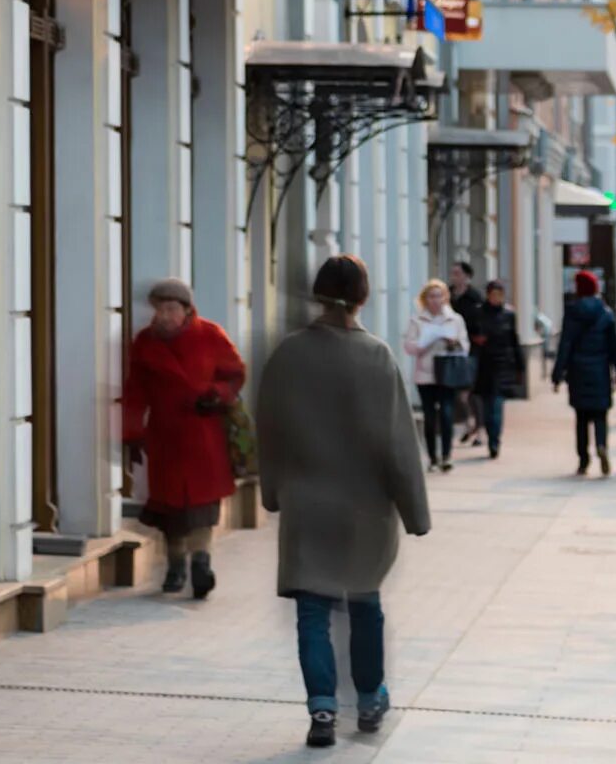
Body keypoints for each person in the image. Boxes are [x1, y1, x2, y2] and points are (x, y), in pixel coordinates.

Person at [257, 254, 431, 749]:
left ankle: (323, 711)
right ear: (363, 296)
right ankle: (371, 698)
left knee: (311, 608)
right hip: (365, 509)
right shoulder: (376, 356)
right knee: (364, 601)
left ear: (316, 294)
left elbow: (269, 432)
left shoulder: (288, 355)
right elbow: (399, 443)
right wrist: (415, 512)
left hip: (307, 503)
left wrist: (272, 492)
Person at [122, 277, 247, 597]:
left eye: (170, 308)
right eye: (159, 309)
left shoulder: (210, 335)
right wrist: (132, 432)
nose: (164, 315)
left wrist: (216, 394)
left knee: (203, 507)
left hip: (204, 433)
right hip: (165, 437)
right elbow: (135, 392)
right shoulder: (145, 342)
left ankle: (201, 564)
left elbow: (235, 374)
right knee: (171, 512)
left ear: (186, 309)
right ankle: (176, 565)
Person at [550, 268, 616, 475]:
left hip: (578, 371)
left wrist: (557, 374)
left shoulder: (572, 312)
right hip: (600, 370)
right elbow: (614, 347)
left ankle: (583, 459)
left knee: (581, 417)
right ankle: (602, 445)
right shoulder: (606, 313)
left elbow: (565, 344)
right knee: (601, 415)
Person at [402, 280, 471, 472]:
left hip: (447, 373)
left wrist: (453, 342)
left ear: (445, 298)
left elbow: (465, 346)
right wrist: (424, 343)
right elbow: (408, 346)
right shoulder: (416, 320)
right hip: (425, 375)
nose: (435, 300)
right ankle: (432, 457)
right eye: (431, 296)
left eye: (439, 296)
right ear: (425, 299)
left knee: (447, 414)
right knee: (430, 417)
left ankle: (447, 455)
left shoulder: (455, 319)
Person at [468, 280, 523, 458]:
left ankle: (494, 441)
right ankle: (490, 432)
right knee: (486, 404)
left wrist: (519, 365)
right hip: (484, 364)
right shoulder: (478, 313)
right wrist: (476, 341)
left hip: (503, 364)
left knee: (497, 404)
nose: (496, 298)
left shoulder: (508, 315)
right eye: (493, 294)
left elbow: (514, 340)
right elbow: (470, 335)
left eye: (500, 295)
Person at [446, 262, 488, 445]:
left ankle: (479, 430)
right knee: (458, 392)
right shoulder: (447, 296)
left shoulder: (474, 297)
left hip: (472, 349)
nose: (454, 276)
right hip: (452, 350)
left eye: (458, 273)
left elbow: (481, 323)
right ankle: (468, 423)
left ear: (466, 276)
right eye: (453, 273)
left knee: (471, 392)